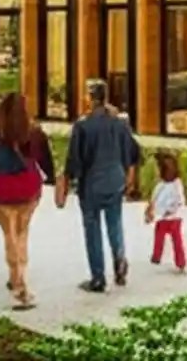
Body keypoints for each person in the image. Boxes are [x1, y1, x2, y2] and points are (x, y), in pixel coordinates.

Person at [56, 78, 137, 292]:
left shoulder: (83, 125)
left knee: (92, 229)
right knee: (115, 222)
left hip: (91, 184)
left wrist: (67, 182)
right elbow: (130, 152)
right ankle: (119, 259)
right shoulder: (119, 123)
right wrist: (129, 176)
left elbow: (74, 159)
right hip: (115, 180)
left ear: (90, 98)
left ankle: (98, 277)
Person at [0, 93, 54, 311]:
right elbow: (46, 164)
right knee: (22, 232)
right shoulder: (35, 132)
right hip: (27, 187)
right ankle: (20, 279)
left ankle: (16, 279)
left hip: (1, 189)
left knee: (9, 233)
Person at [145, 152, 187, 273]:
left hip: (171, 216)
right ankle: (178, 261)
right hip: (167, 217)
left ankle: (160, 256)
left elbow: (179, 200)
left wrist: (171, 209)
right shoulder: (170, 184)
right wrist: (150, 211)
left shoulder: (172, 185)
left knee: (170, 238)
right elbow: (153, 200)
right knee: (174, 239)